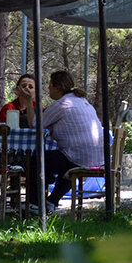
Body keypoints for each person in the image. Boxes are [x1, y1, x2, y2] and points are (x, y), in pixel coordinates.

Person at [28, 70, 103, 215]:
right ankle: (51, 201)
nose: (48, 88)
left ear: (57, 87)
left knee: (36, 160)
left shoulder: (62, 104)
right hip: (96, 157)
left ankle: (34, 204)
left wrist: (30, 100)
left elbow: (35, 124)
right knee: (61, 162)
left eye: (50, 85)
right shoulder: (82, 101)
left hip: (78, 157)